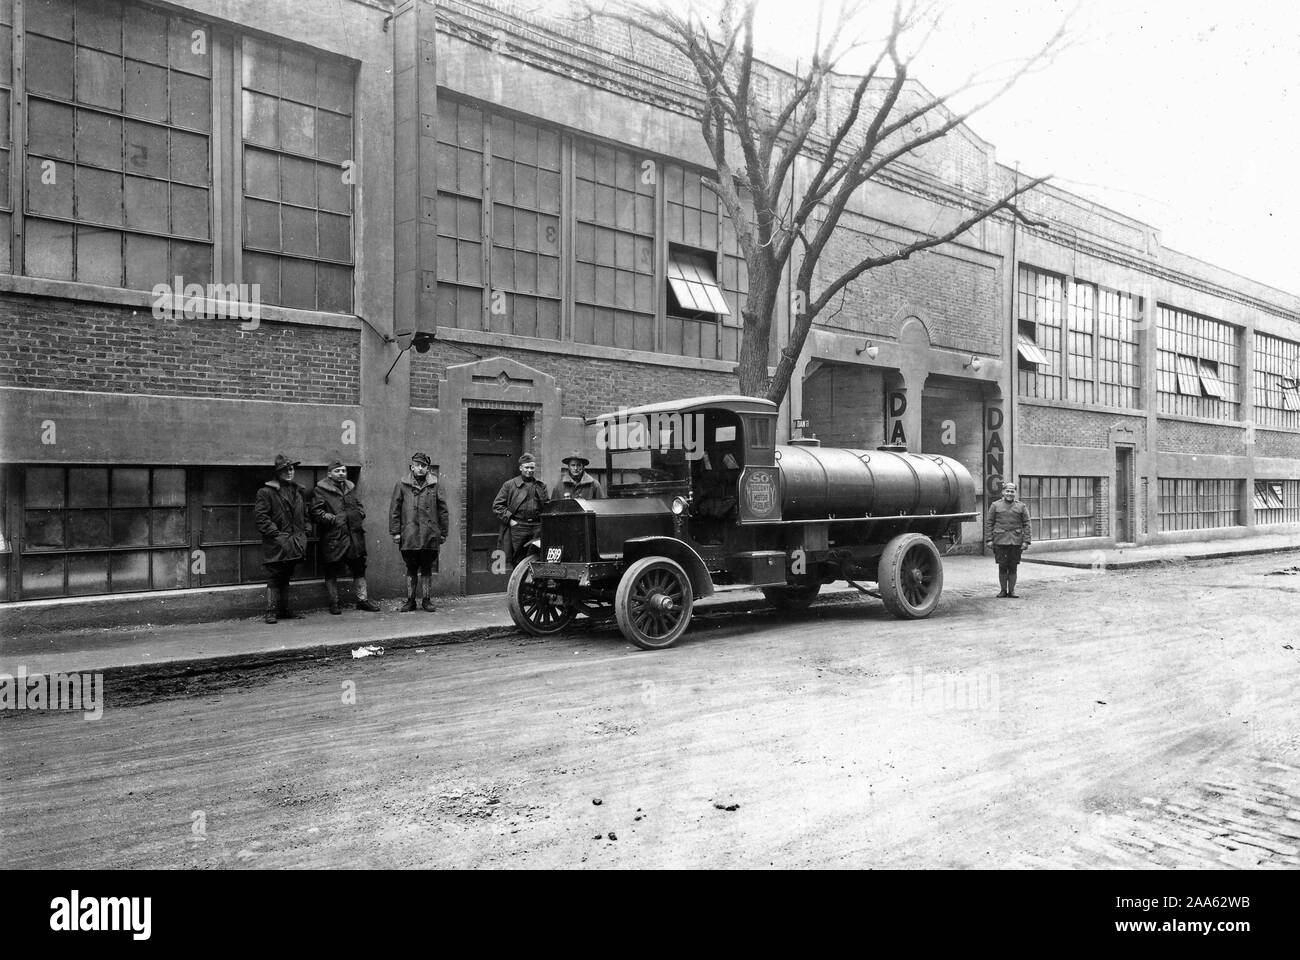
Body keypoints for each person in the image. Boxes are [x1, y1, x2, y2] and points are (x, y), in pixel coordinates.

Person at [310, 460, 380, 614]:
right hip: (334, 537)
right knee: (331, 570)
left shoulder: (350, 488)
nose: (341, 473)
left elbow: (358, 505)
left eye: (343, 471)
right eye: (337, 471)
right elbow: (316, 512)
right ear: (329, 474)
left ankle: (362, 600)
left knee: (359, 568)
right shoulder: (320, 490)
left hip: (354, 536)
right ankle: (334, 603)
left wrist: (360, 514)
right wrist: (334, 519)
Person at [389, 452, 449, 612]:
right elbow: (395, 509)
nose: (420, 468)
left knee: (427, 567)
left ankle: (427, 600)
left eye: (424, 466)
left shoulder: (435, 484)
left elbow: (443, 510)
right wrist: (395, 532)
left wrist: (443, 532)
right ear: (412, 467)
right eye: (418, 465)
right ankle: (410, 601)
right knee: (411, 567)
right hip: (409, 533)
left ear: (428, 468)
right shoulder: (402, 484)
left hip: (429, 534)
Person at [254, 453, 309, 624]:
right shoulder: (266, 492)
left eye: (292, 468)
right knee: (274, 576)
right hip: (277, 543)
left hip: (294, 541)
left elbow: (304, 514)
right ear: (278, 472)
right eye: (286, 469)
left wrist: (305, 530)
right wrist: (276, 534)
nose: (290, 472)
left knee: (287, 576)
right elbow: (261, 518)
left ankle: (284, 610)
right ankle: (271, 611)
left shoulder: (298, 491)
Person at [493, 452, 550, 568]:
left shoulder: (541, 485)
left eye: (532, 467)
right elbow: (497, 506)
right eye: (526, 467)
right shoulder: (510, 485)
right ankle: (519, 584)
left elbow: (547, 506)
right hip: (518, 527)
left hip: (537, 527)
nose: (529, 470)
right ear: (521, 468)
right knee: (518, 560)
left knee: (538, 558)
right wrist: (510, 521)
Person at [985, 481, 1032, 598]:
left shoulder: (1021, 506)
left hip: (1016, 542)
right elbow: (989, 523)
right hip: (1000, 541)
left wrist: (1026, 541)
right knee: (1002, 566)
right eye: (1007, 491)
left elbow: (1027, 524)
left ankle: (1011, 591)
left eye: (1012, 491)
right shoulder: (995, 505)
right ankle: (1002, 590)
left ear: (1015, 493)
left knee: (1013, 567)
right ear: (1003, 492)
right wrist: (989, 539)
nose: (1010, 493)